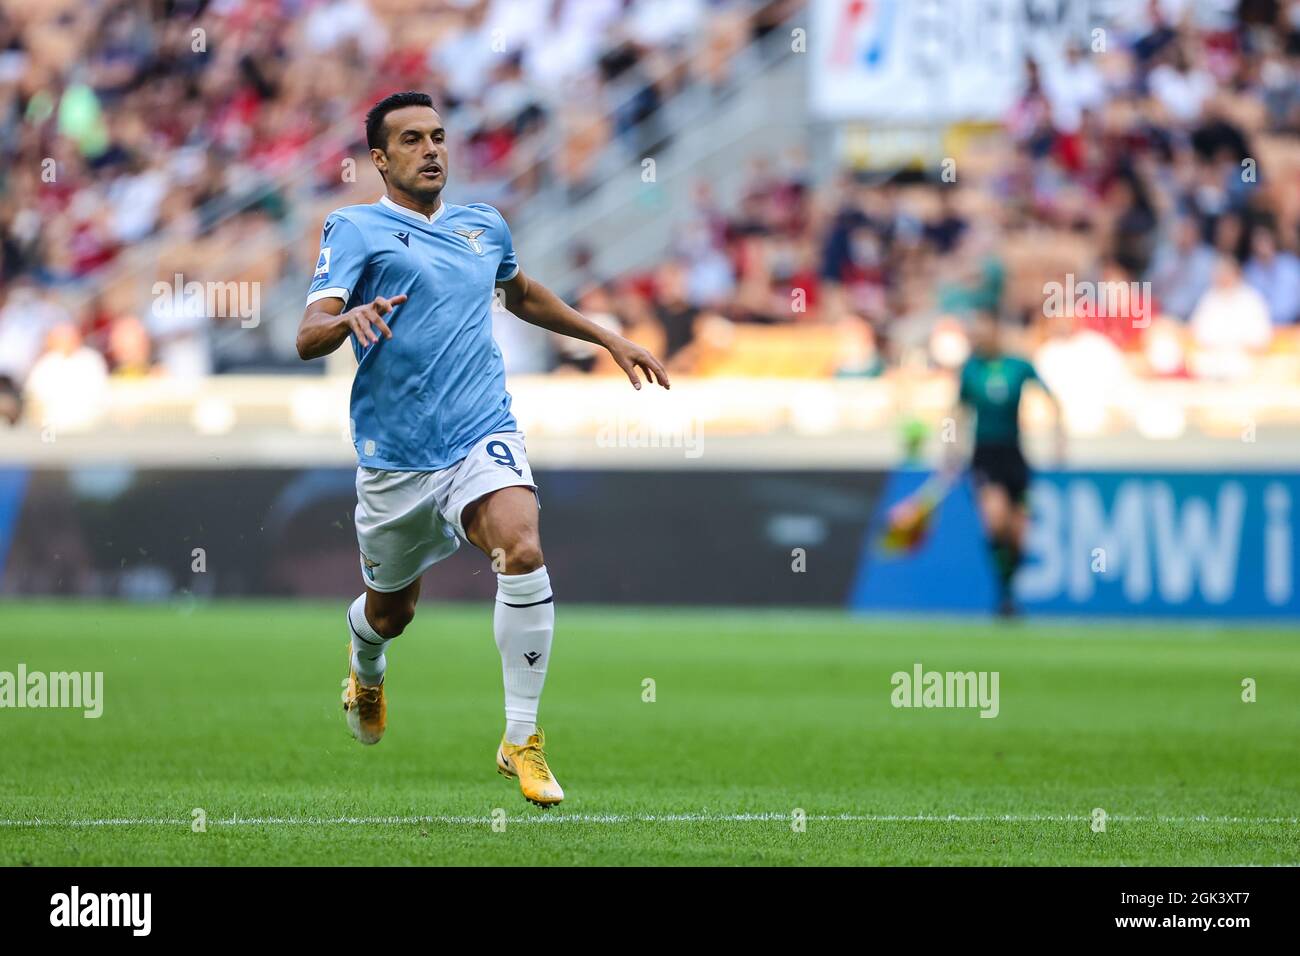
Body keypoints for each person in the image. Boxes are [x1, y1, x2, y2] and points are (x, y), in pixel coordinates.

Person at [295, 92, 669, 807]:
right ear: (380, 159)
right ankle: (365, 664)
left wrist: (608, 338)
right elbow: (306, 334)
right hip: (396, 460)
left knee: (521, 547)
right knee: (390, 613)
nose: (431, 149)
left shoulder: (482, 225)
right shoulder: (354, 229)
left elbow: (519, 292)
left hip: (480, 432)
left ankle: (521, 739)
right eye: (410, 140)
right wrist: (349, 317)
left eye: (438, 136)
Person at [949, 312, 1064, 617]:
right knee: (996, 521)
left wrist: (1058, 439)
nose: (978, 338)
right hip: (985, 455)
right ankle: (1005, 596)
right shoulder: (970, 370)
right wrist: (950, 448)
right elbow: (958, 412)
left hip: (1015, 455)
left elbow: (1051, 400)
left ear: (997, 332)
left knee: (1019, 535)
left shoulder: (1019, 366)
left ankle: (1008, 594)